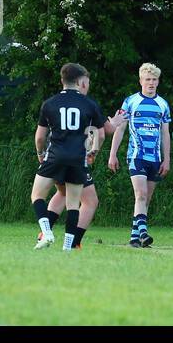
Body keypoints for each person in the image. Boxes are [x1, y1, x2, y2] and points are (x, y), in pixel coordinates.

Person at [31, 63, 106, 251]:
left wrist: (40, 154)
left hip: (55, 156)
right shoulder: (89, 103)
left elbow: (40, 137)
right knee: (73, 203)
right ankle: (67, 247)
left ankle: (47, 232)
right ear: (80, 81)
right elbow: (101, 134)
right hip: (77, 158)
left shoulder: (50, 103)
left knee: (37, 195)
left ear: (62, 81)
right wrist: (92, 153)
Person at [107, 63, 172, 248]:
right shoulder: (130, 101)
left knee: (145, 199)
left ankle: (135, 238)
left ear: (158, 82)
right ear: (141, 81)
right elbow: (119, 129)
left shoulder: (163, 104)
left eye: (154, 80)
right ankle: (143, 232)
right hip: (136, 155)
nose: (151, 83)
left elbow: (165, 133)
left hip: (155, 158)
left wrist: (166, 158)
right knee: (141, 194)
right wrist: (112, 154)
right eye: (147, 79)